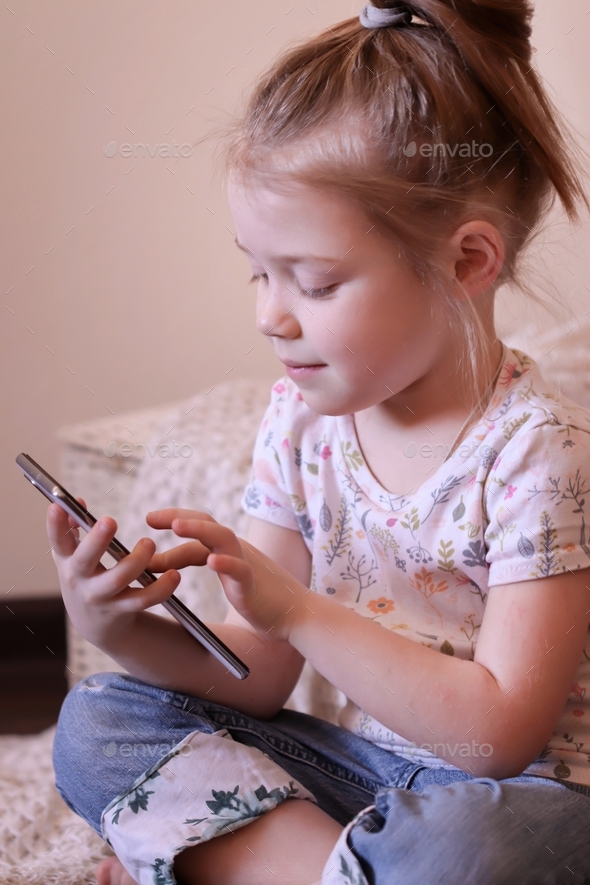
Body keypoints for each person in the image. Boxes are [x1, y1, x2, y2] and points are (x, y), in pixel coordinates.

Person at [48, 1, 590, 883]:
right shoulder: (302, 423)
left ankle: (227, 861)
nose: (271, 314)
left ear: (466, 264)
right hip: (363, 779)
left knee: (470, 851)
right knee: (101, 720)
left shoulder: (542, 452)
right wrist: (114, 624)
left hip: (517, 796)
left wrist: (296, 609)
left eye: (316, 280)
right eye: (259, 271)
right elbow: (258, 679)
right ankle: (315, 868)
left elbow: (497, 735)